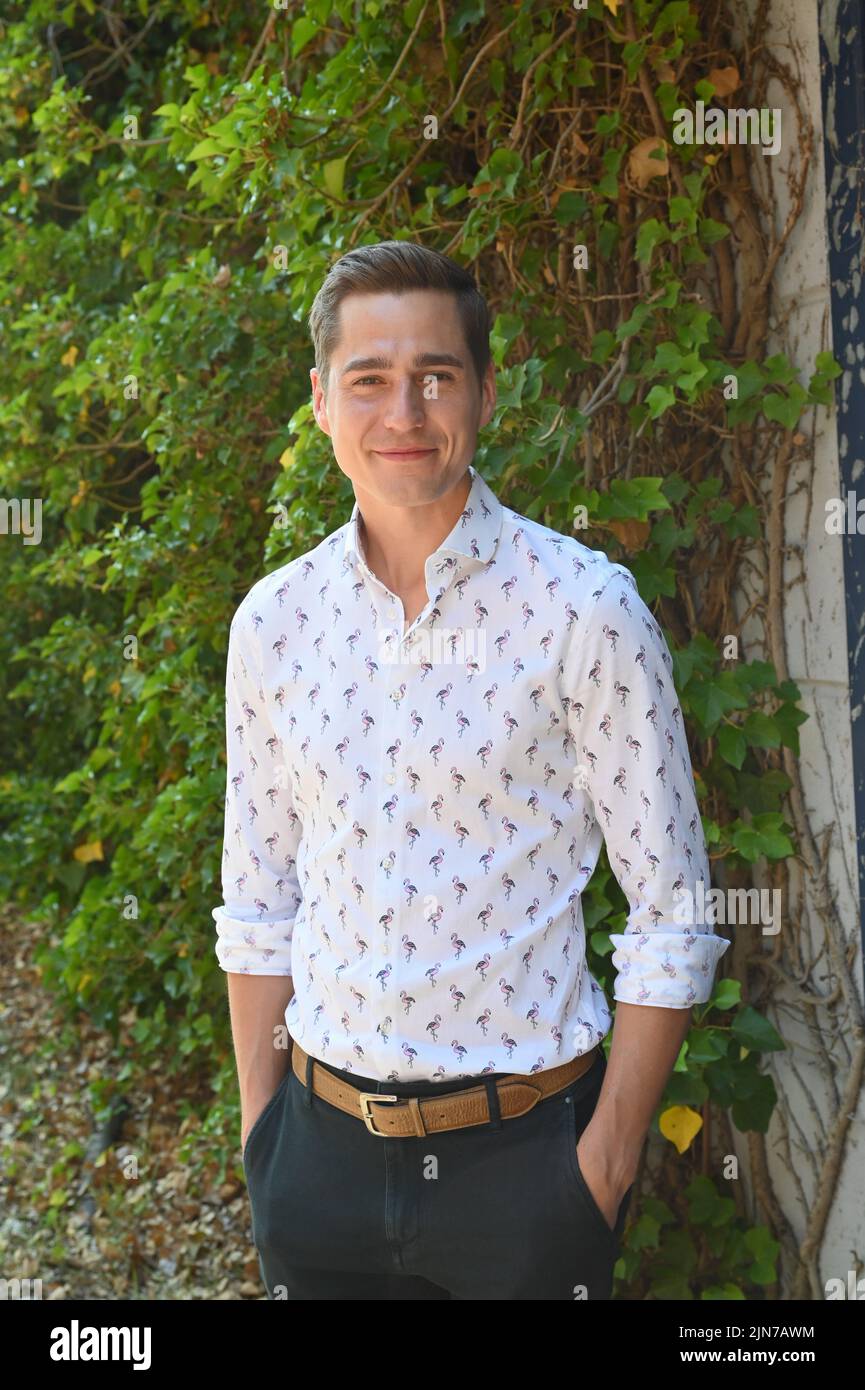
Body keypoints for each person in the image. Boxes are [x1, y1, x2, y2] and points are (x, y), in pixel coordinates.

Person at [212, 240, 731, 1300]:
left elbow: (672, 911)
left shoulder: (584, 610)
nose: (403, 411)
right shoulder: (274, 624)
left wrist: (606, 1159)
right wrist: (263, 1135)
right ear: (320, 401)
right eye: (369, 379)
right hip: (316, 1165)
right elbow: (258, 899)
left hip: (526, 1174)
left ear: (485, 394)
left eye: (435, 376)